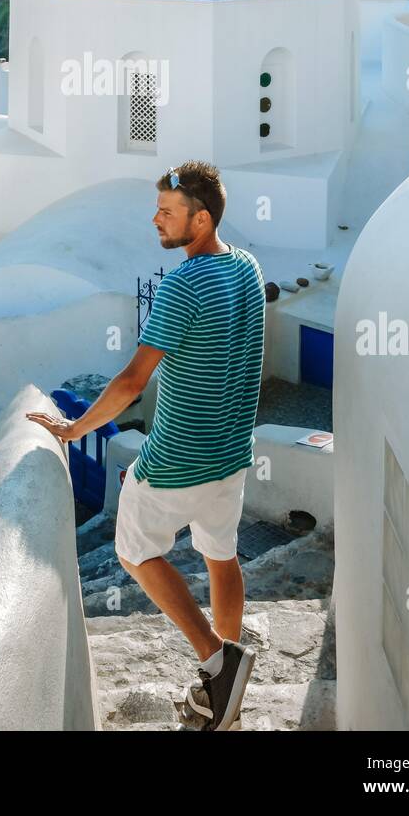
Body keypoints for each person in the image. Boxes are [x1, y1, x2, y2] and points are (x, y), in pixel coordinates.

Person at [27, 160, 265, 731]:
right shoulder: (248, 270)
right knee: (221, 555)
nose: (155, 219)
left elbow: (133, 381)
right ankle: (221, 685)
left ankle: (216, 662)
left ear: (201, 219)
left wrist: (74, 429)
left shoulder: (183, 284)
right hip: (231, 454)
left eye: (167, 212)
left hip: (177, 460)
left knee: (134, 553)